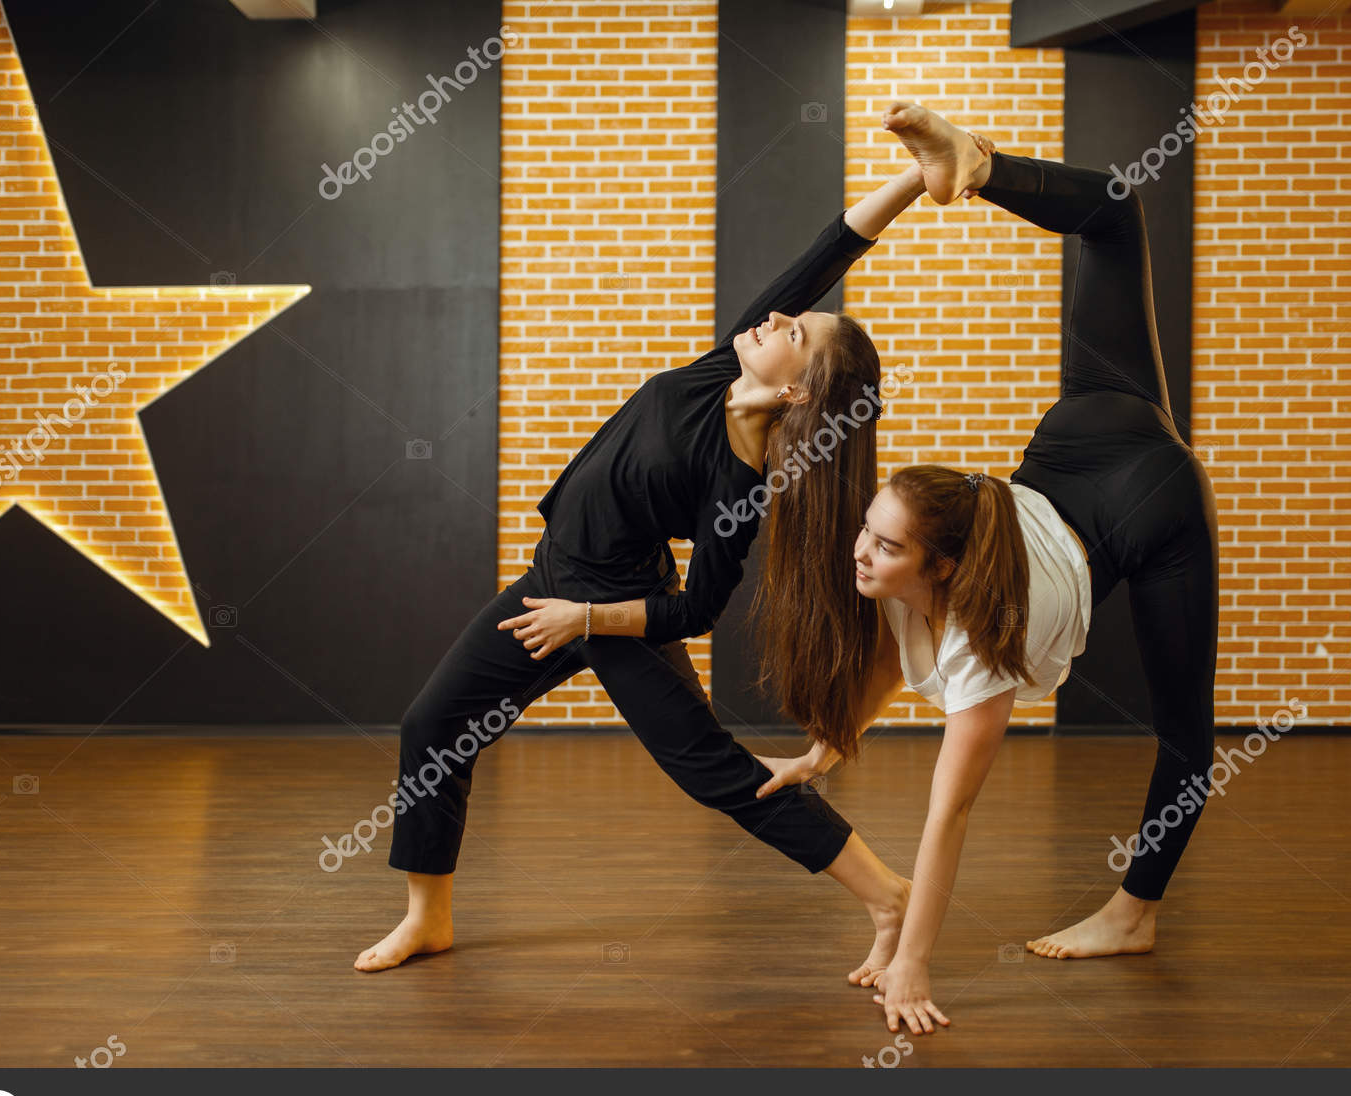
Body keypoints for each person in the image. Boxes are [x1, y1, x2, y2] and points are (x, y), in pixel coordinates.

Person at [355, 160, 938, 974]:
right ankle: (428, 917)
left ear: (800, 393)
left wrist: (584, 622)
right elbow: (831, 249)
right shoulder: (720, 374)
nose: (777, 318)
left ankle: (890, 896)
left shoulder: (739, 480)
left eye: (796, 333)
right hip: (547, 585)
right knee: (434, 726)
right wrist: (918, 177)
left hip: (609, 613)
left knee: (712, 771)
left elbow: (697, 609)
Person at [755, 103, 1220, 1036]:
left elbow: (947, 820)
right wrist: (826, 747)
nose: (861, 552)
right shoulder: (896, 575)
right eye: (870, 534)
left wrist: (911, 961)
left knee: (1186, 737)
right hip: (1083, 443)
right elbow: (890, 662)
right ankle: (972, 165)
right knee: (1114, 216)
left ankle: (1133, 915)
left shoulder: (980, 661)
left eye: (884, 545)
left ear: (941, 564)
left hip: (1150, 501)